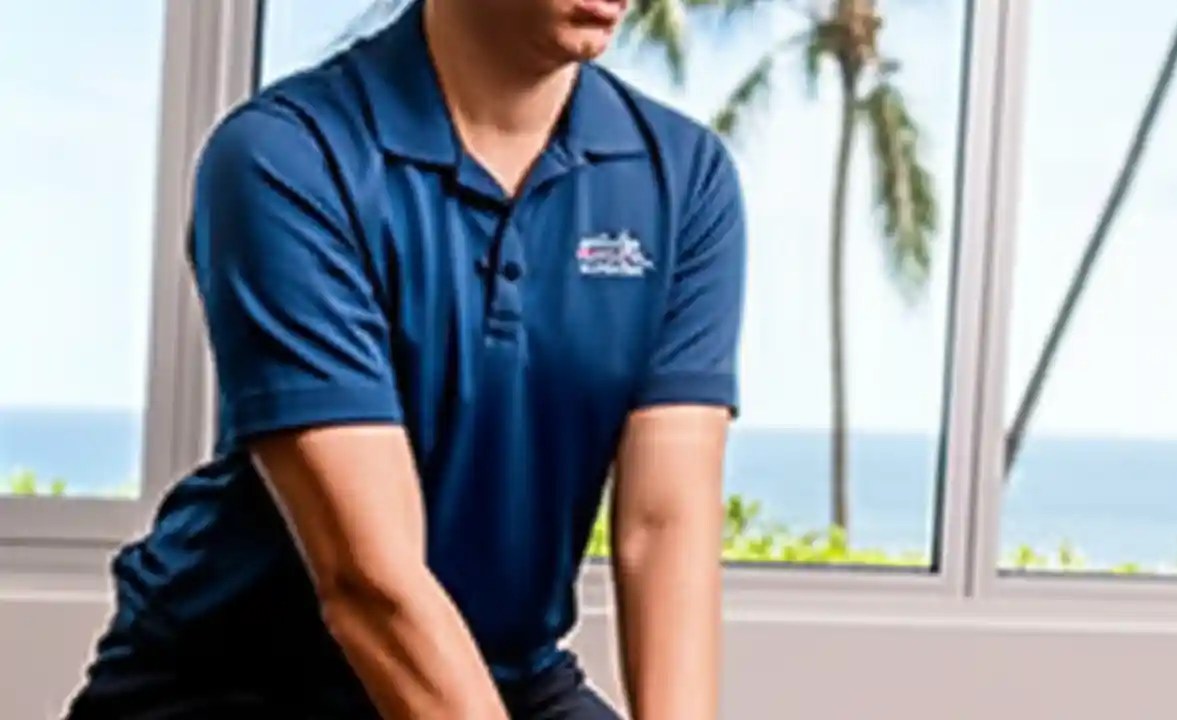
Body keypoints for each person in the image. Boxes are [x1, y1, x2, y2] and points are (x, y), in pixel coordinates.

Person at [65, 0, 745, 716]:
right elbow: (371, 584)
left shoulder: (682, 177)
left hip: (509, 677)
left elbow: (664, 525)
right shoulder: (288, 157)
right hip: (237, 687)